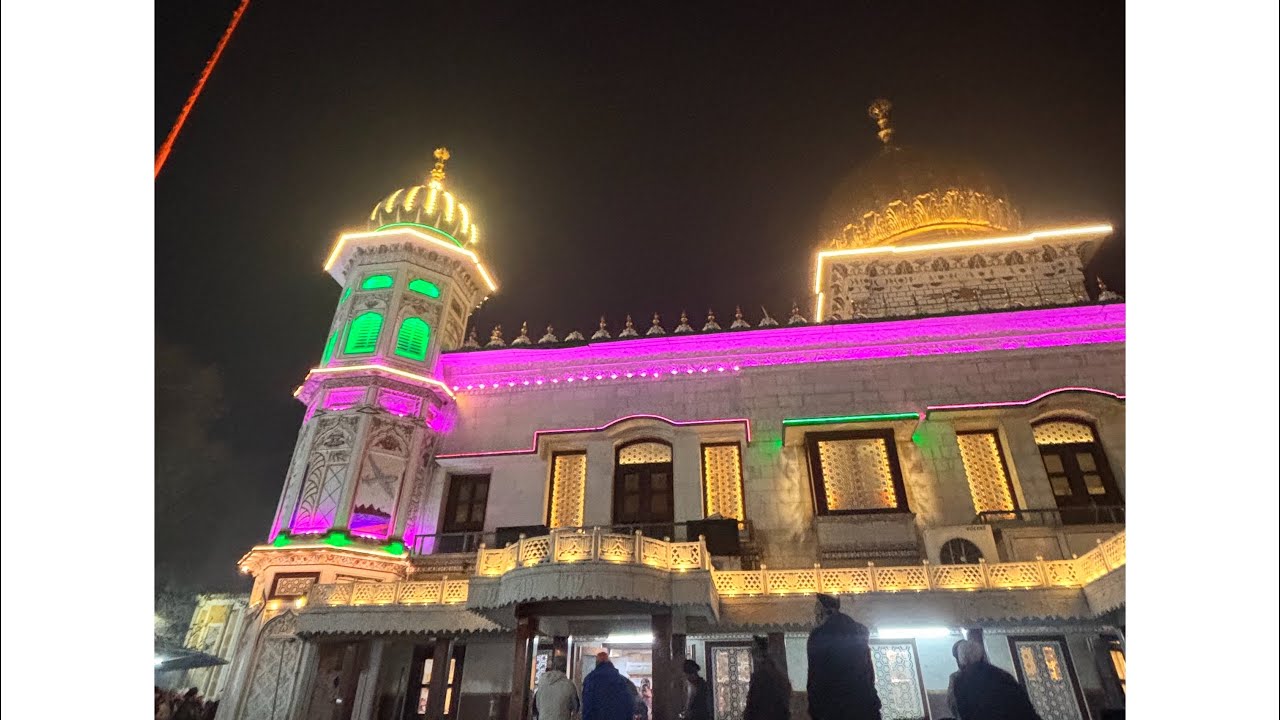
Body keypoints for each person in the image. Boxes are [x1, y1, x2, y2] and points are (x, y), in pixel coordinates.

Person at [806, 594, 881, 720]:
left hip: (835, 710)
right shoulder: (859, 631)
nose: (814, 611)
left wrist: (815, 711)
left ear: (821, 607)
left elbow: (816, 678)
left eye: (816, 606)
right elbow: (869, 672)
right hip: (865, 707)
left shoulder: (819, 635)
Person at [951, 640, 1043, 720]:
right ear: (981, 654)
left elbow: (963, 712)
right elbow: (1022, 704)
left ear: (961, 659)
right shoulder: (1001, 674)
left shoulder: (960, 681)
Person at [744, 636, 791, 720]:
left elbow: (754, 703)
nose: (752, 653)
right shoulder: (778, 673)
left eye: (755, 650)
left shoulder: (763, 675)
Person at [584, 652, 638, 720]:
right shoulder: (623, 681)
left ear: (597, 663)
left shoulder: (590, 680)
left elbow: (587, 706)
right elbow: (630, 704)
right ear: (610, 662)